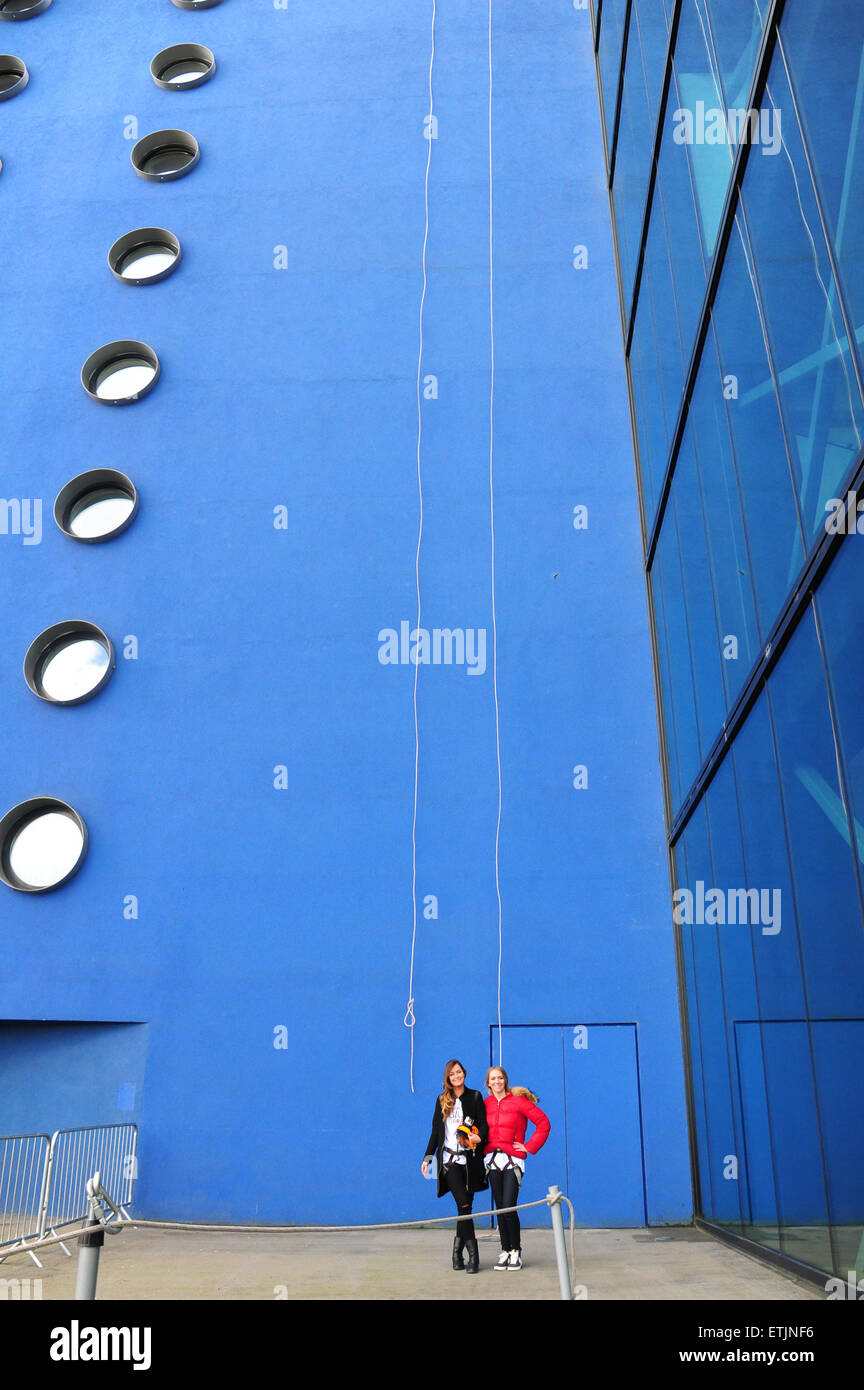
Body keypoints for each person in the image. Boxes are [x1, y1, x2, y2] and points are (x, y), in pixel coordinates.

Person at [421, 1059, 489, 1273]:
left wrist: (477, 1138)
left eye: (459, 1072)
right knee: (465, 1206)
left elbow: (484, 1129)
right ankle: (474, 1257)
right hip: (449, 1162)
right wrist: (427, 1158)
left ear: (464, 1073)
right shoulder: (442, 1100)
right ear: (448, 1078)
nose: (457, 1076)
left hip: (470, 1162)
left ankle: (456, 1255)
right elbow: (435, 1132)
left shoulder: (475, 1097)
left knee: (464, 1208)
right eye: (452, 1074)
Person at [484, 1065, 550, 1271]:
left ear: (505, 1080)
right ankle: (504, 1251)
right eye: (493, 1078)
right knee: (500, 1208)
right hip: (491, 1160)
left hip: (513, 1160)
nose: (497, 1081)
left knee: (509, 1205)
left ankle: (516, 1251)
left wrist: (529, 1146)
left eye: (500, 1078)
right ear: (488, 1083)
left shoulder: (519, 1101)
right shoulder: (483, 1104)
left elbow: (543, 1122)